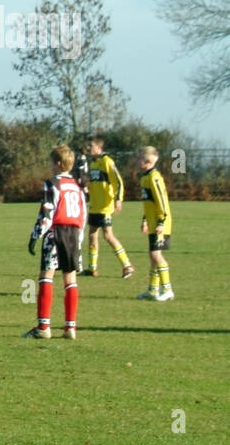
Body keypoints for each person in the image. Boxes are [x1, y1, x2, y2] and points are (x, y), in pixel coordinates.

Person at [24, 145, 86, 339]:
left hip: (55, 232)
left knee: (46, 275)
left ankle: (43, 327)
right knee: (70, 278)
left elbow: (47, 211)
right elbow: (83, 214)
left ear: (58, 164)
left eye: (52, 162)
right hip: (74, 233)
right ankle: (70, 328)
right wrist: (80, 238)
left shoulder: (52, 183)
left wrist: (36, 235)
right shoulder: (77, 186)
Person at [83, 136, 135, 279]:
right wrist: (87, 185)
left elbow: (118, 181)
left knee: (108, 236)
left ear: (99, 148)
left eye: (90, 146)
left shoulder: (107, 162)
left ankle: (127, 265)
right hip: (94, 205)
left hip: (105, 206)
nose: (88, 149)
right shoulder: (93, 163)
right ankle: (92, 268)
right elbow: (95, 183)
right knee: (92, 234)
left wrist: (118, 199)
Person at [136, 146, 174, 302]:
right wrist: (145, 220)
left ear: (148, 161)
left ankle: (168, 289)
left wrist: (161, 222)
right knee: (152, 257)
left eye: (139, 158)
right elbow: (149, 203)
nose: (137, 161)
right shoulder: (144, 178)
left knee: (156, 255)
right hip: (152, 223)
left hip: (160, 223)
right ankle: (153, 290)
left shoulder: (155, 178)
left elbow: (162, 202)